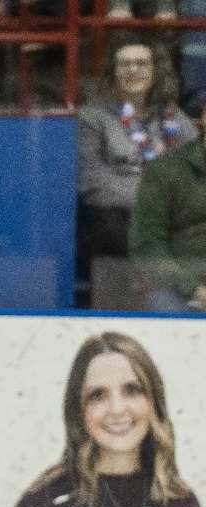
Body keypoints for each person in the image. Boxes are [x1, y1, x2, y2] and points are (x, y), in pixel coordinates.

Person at [5, 332, 205, 507]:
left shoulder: (181, 503)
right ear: (78, 410)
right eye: (98, 395)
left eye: (132, 390)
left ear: (153, 401)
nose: (117, 409)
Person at [77, 38, 194, 308]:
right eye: (124, 64)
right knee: (113, 227)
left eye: (141, 63)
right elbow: (92, 182)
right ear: (113, 72)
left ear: (155, 71)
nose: (133, 70)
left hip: (170, 217)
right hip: (119, 219)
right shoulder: (93, 117)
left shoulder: (174, 118)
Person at [131, 89, 206, 312]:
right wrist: (194, 288)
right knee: (164, 307)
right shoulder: (165, 170)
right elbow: (147, 245)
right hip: (179, 291)